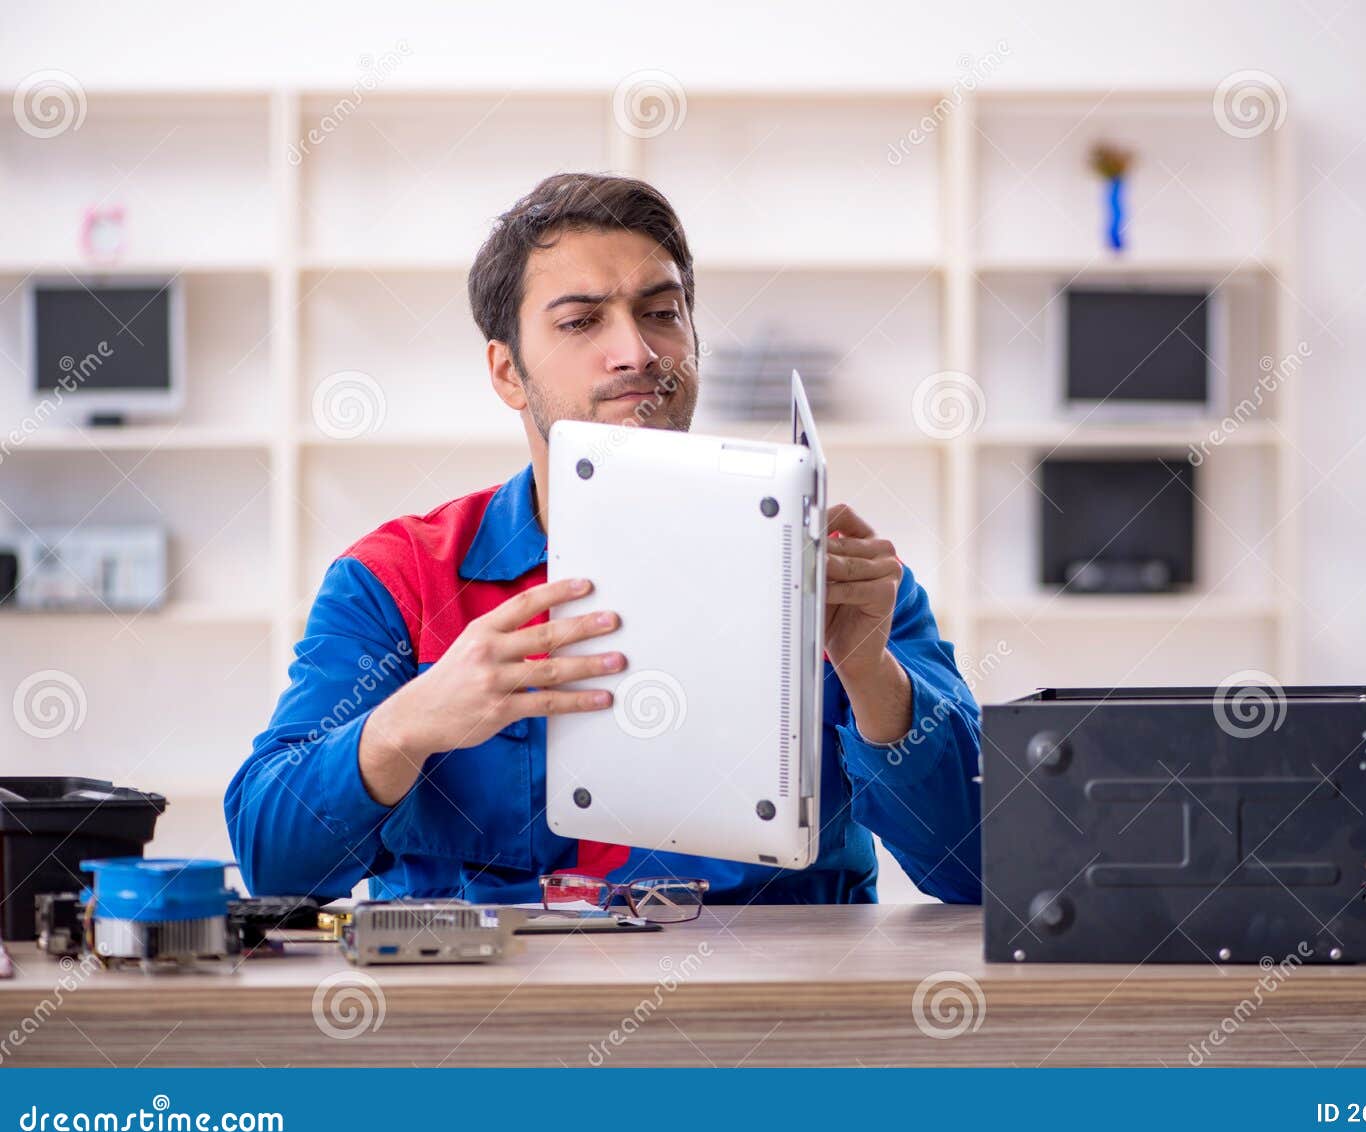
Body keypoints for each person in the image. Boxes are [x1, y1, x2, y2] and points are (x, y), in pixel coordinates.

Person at [225, 172, 982, 906]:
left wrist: (870, 675)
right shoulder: (395, 581)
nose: (637, 352)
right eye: (581, 321)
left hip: (766, 1017)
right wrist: (408, 725)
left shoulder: (843, 580)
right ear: (507, 373)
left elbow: (980, 866)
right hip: (494, 1018)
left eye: (661, 312)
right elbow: (273, 860)